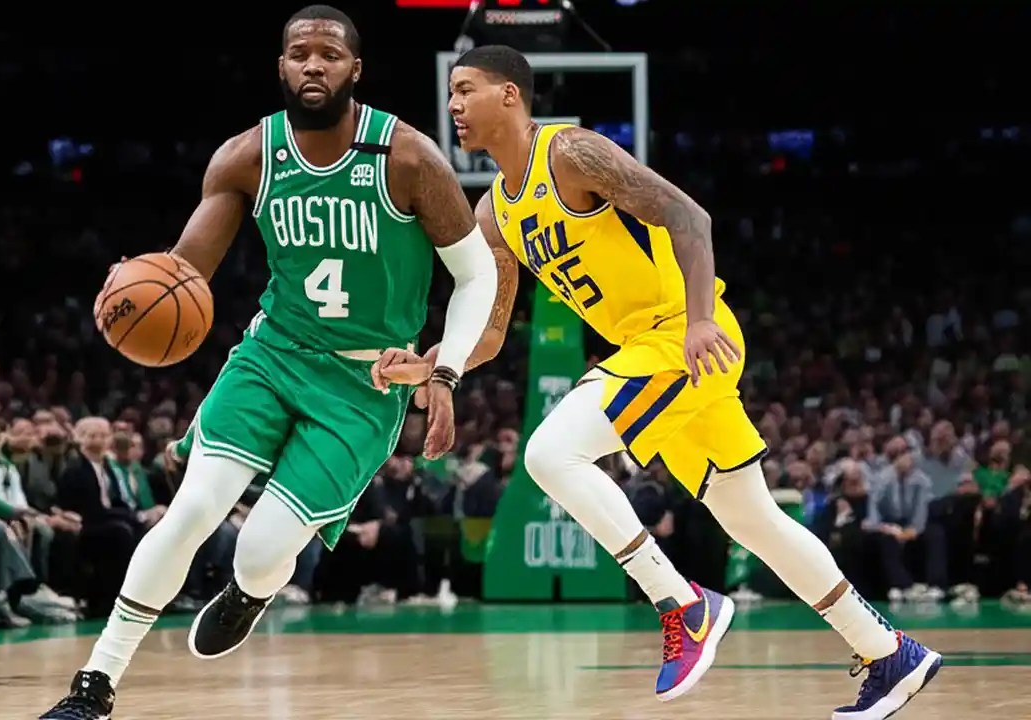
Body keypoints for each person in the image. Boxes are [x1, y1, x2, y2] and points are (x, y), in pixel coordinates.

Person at [373, 45, 942, 720]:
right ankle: (887, 652)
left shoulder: (570, 152)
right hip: (655, 352)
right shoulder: (495, 213)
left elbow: (689, 217)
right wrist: (432, 364)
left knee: (550, 453)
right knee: (752, 517)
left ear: (510, 95)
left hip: (683, 337)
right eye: (451, 92)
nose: (454, 105)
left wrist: (699, 321)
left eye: (466, 89)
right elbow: (492, 333)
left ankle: (681, 603)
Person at [39, 6, 502, 718]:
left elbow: (477, 276)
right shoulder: (246, 157)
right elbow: (184, 272)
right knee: (192, 510)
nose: (313, 63)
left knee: (258, 551)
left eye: (329, 54)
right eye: (299, 53)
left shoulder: (408, 158)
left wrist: (446, 371)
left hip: (363, 381)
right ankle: (93, 687)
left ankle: (251, 591)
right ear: (281, 66)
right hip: (272, 354)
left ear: (355, 70)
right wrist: (135, 289)